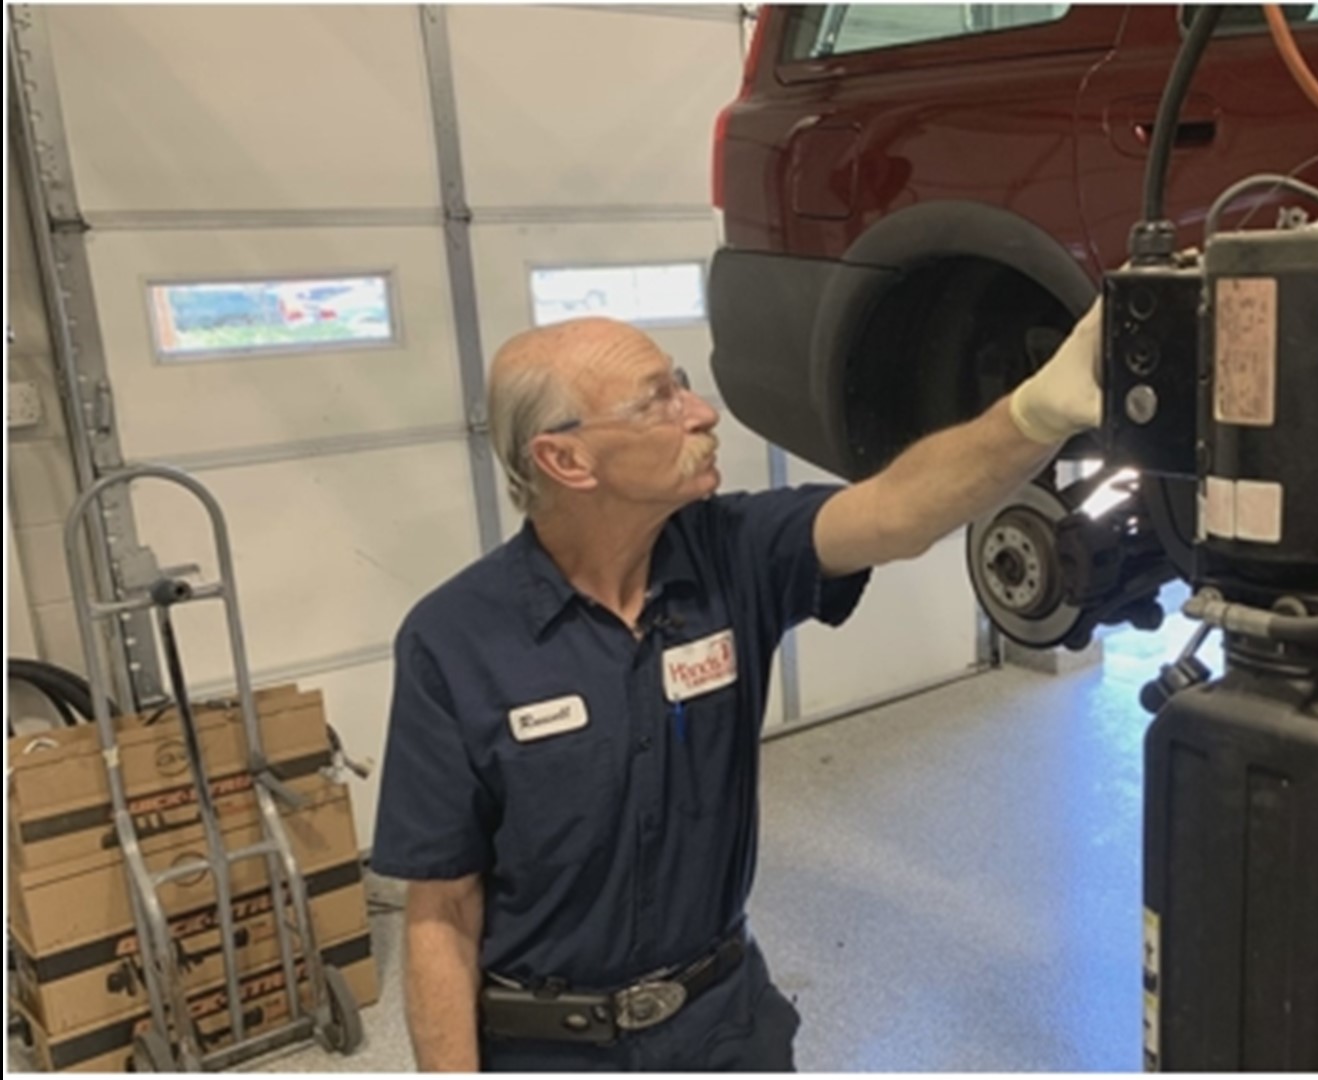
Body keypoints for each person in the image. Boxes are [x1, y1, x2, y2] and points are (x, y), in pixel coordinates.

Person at [369, 306, 1102, 1071]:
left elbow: (898, 510)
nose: (701, 412)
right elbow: (441, 913)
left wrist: (1037, 411)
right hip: (552, 1051)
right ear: (567, 461)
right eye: (656, 400)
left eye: (680, 385)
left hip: (724, 1029)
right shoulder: (454, 640)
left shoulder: (734, 554)